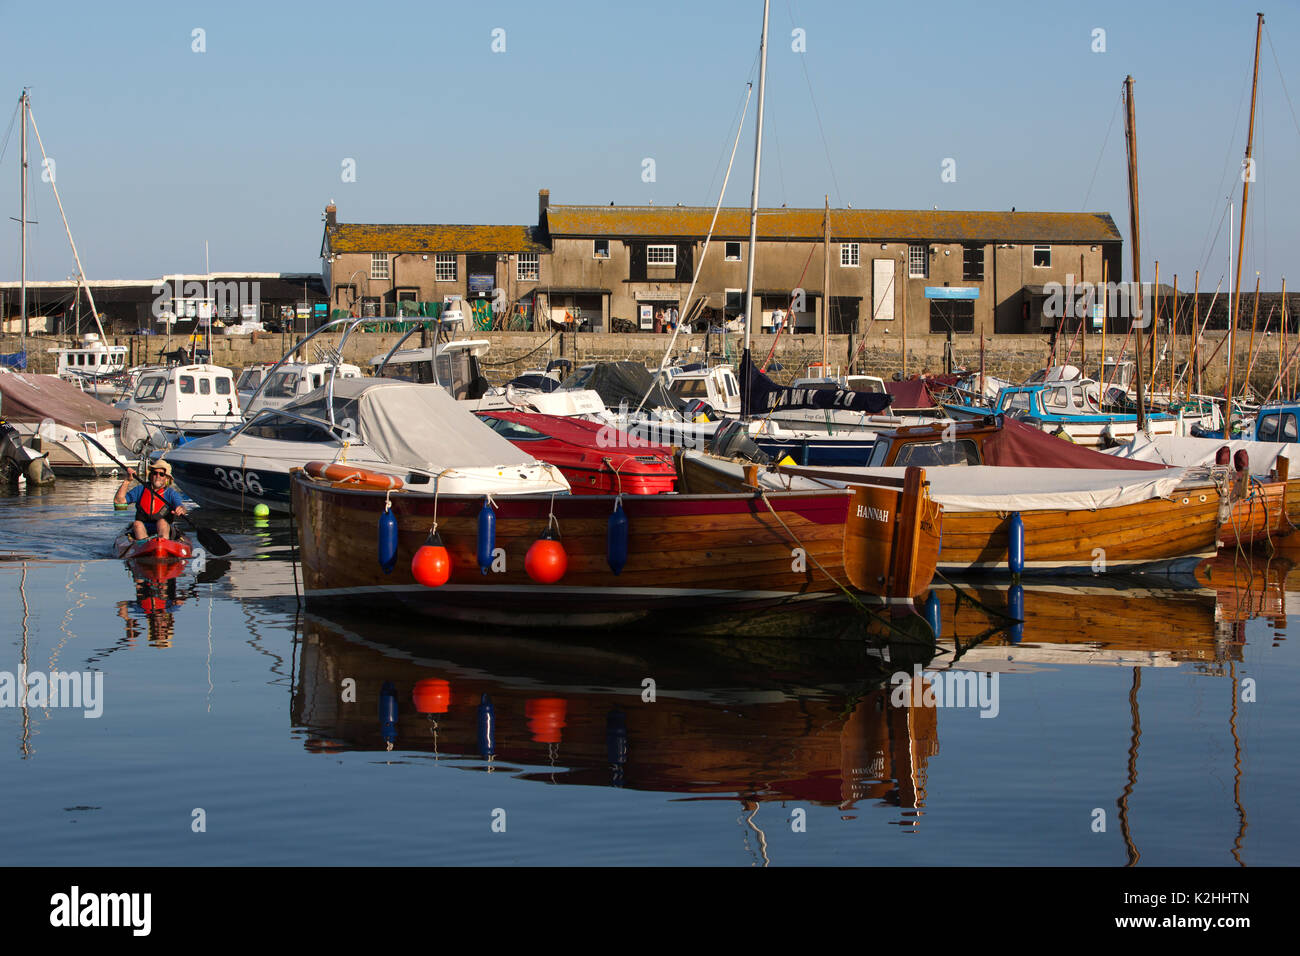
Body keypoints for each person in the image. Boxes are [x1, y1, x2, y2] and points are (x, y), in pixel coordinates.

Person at [115, 459, 187, 540]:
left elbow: (181, 507)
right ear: (151, 475)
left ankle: (162, 543)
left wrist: (181, 509)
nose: (158, 476)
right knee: (137, 524)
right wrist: (127, 481)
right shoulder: (140, 489)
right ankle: (144, 545)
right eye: (155, 473)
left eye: (161, 474)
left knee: (162, 522)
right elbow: (119, 502)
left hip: (164, 531)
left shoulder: (171, 493)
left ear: (167, 478)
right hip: (142, 530)